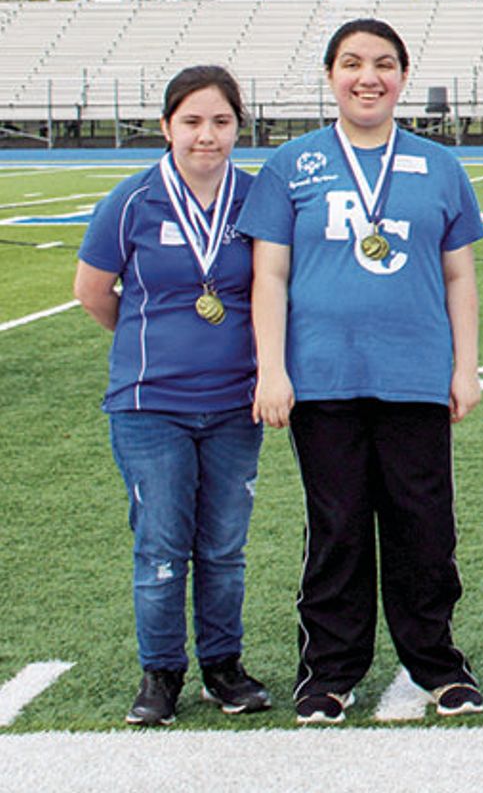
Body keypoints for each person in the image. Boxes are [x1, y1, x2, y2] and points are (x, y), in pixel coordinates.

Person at [238, 18, 483, 724]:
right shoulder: (293, 164)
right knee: (337, 529)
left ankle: (437, 662)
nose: (367, 76)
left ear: (403, 77)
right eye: (352, 63)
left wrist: (465, 367)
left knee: (424, 530)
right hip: (322, 378)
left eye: (383, 63)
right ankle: (328, 670)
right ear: (330, 75)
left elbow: (460, 275)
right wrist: (271, 368)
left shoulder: (439, 166)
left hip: (414, 376)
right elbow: (271, 275)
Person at [74, 66, 271, 725]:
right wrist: (146, 339)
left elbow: (275, 289)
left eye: (220, 121)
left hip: (236, 404)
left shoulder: (258, 197)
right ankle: (160, 671)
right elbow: (93, 291)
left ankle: (223, 665)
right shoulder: (131, 200)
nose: (206, 136)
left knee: (222, 545)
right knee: (161, 544)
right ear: (166, 127)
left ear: (238, 127)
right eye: (191, 121)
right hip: (149, 405)